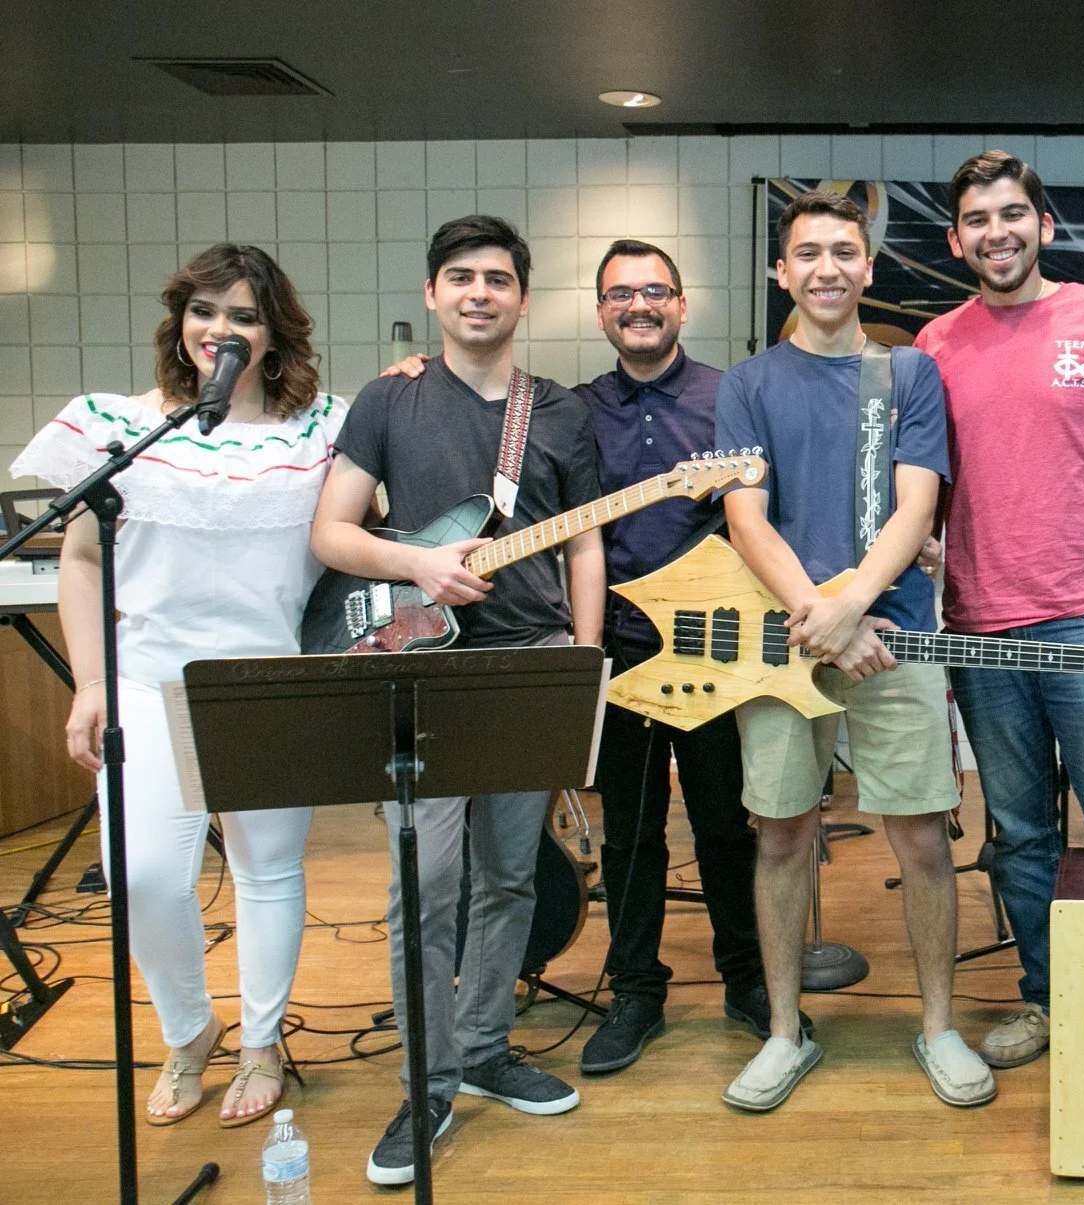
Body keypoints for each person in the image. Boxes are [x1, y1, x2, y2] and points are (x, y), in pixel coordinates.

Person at [11, 244, 342, 1127]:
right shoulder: (118, 426)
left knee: (266, 868)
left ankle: (263, 1042)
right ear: (179, 321)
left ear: (274, 334)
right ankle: (189, 1030)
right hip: (146, 682)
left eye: (243, 316)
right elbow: (81, 562)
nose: (220, 330)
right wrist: (89, 684)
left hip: (269, 683)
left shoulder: (321, 429)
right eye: (204, 311)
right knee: (145, 876)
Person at [311, 215, 603, 1185]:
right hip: (418, 671)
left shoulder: (557, 410)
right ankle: (427, 1082)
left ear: (523, 299)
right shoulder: (387, 403)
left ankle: (484, 1048)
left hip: (528, 662)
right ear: (433, 295)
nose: (479, 291)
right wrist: (417, 564)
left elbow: (585, 543)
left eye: (498, 278)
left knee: (512, 874)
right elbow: (332, 534)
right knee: (425, 883)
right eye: (460, 277)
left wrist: (583, 660)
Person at [714, 189, 994, 1112]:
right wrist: (819, 614)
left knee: (919, 833)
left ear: (868, 266)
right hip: (782, 641)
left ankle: (939, 1025)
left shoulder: (909, 375)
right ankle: (788, 1033)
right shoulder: (747, 384)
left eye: (845, 250)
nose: (827, 267)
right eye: (808, 253)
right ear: (780, 272)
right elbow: (745, 516)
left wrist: (854, 607)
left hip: (898, 633)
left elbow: (918, 506)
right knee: (785, 832)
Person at [914, 151, 1084, 1069]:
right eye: (979, 219)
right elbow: (921, 489)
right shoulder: (933, 346)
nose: (998, 232)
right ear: (957, 240)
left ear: (1044, 226)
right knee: (1020, 833)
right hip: (980, 624)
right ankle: (1052, 998)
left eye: (1013, 214)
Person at [569, 239, 781, 1072]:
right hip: (619, 649)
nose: (639, 305)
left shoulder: (732, 396)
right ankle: (635, 991)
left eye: (655, 291)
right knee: (630, 833)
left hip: (715, 648)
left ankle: (746, 977)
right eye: (621, 294)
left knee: (728, 821)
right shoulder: (571, 407)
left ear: (684, 305)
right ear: (600, 313)